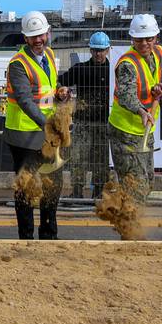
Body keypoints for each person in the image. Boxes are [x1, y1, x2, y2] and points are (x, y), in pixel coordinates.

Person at [3, 10, 70, 240]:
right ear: (25, 38)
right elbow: (24, 100)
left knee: (53, 185)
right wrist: (48, 125)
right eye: (33, 37)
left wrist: (60, 91)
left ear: (48, 33)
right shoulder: (18, 65)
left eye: (41, 35)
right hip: (24, 136)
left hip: (46, 135)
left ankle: (49, 234)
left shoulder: (49, 55)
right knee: (26, 189)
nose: (39, 40)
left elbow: (48, 87)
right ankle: (26, 237)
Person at [108, 13, 162, 204]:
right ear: (132, 39)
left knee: (147, 182)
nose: (145, 44)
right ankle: (129, 226)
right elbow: (126, 95)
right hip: (124, 132)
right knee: (134, 184)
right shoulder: (127, 64)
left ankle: (125, 214)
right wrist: (141, 111)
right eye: (140, 40)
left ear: (156, 37)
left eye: (149, 39)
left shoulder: (161, 55)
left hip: (145, 131)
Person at [59, 31, 112, 199]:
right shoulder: (80, 69)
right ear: (90, 50)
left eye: (102, 50)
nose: (98, 53)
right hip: (83, 122)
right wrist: (63, 88)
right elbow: (61, 81)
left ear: (108, 50)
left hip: (104, 123)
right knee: (78, 158)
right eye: (96, 50)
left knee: (101, 160)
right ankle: (76, 192)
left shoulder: (113, 71)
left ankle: (98, 192)